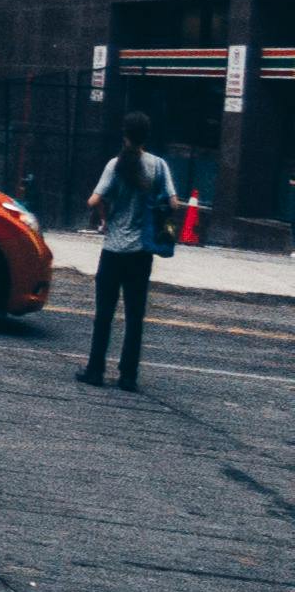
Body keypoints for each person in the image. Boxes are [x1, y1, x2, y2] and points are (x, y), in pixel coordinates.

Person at [77, 110, 182, 392]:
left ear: (124, 134)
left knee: (104, 314)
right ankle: (128, 376)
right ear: (147, 135)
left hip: (112, 251)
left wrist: (105, 217)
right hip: (140, 252)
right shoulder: (159, 166)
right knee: (135, 316)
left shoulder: (115, 164)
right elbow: (174, 204)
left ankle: (95, 370)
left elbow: (93, 199)